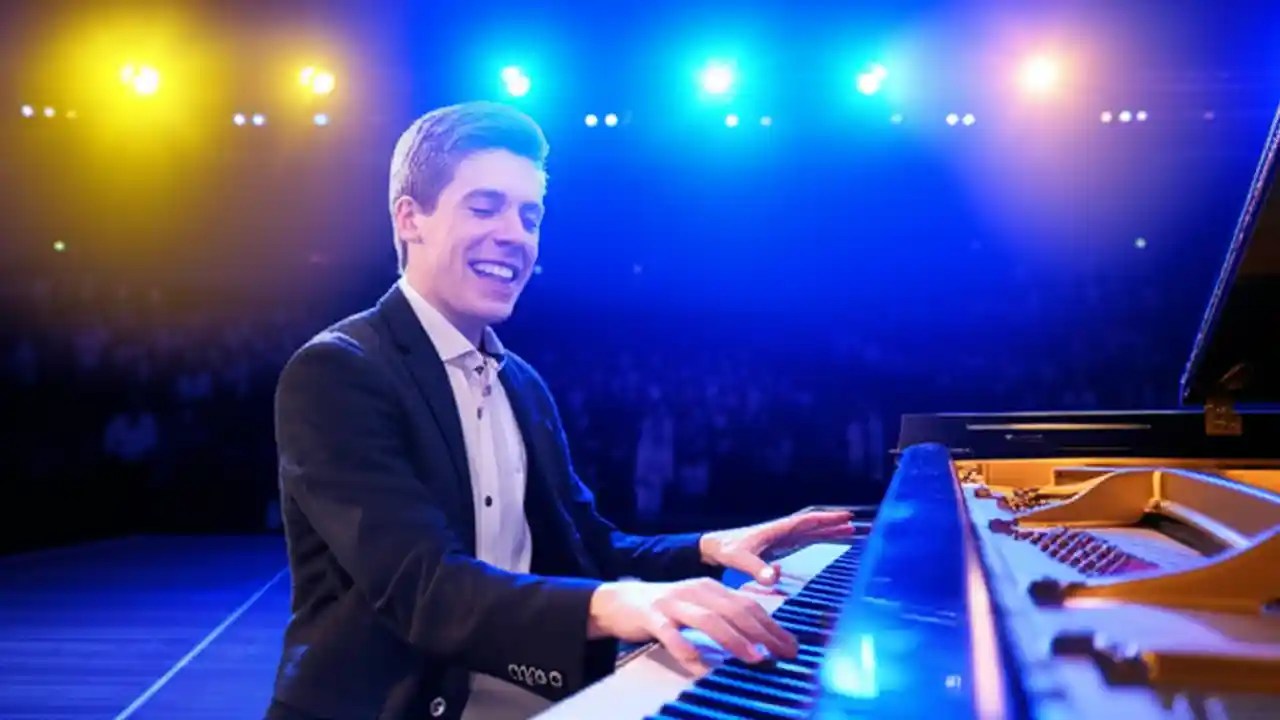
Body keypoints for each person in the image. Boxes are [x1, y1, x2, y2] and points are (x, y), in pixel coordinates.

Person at [265, 100, 855, 720]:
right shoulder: (337, 373)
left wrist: (712, 546)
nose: (514, 234)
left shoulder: (523, 384)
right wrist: (619, 606)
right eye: (484, 206)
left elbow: (592, 546)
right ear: (411, 219)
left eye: (529, 215)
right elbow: (424, 588)